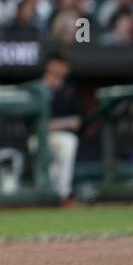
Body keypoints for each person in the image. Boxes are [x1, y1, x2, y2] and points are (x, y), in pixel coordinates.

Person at [28, 52, 80, 202]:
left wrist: (53, 125)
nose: (61, 68)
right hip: (37, 137)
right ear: (49, 66)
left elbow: (77, 121)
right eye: (57, 64)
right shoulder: (37, 88)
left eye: (63, 64)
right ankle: (49, 196)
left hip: (60, 136)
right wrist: (62, 123)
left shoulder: (70, 89)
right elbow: (33, 124)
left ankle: (63, 195)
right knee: (51, 151)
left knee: (68, 143)